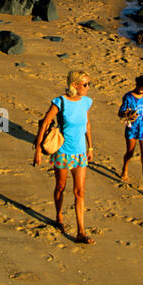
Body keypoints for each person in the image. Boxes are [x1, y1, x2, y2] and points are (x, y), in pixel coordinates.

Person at [34, 70, 95, 244]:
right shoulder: (60, 102)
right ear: (75, 85)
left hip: (80, 153)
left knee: (80, 191)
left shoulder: (86, 102)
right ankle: (59, 216)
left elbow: (87, 125)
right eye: (85, 84)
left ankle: (81, 232)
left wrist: (90, 147)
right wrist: (37, 150)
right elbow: (45, 123)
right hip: (62, 152)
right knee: (60, 186)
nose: (88, 87)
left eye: (89, 84)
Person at [119, 75, 143, 197]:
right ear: (137, 85)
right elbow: (121, 112)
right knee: (130, 153)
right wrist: (128, 113)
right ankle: (125, 169)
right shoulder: (128, 97)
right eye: (142, 89)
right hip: (132, 130)